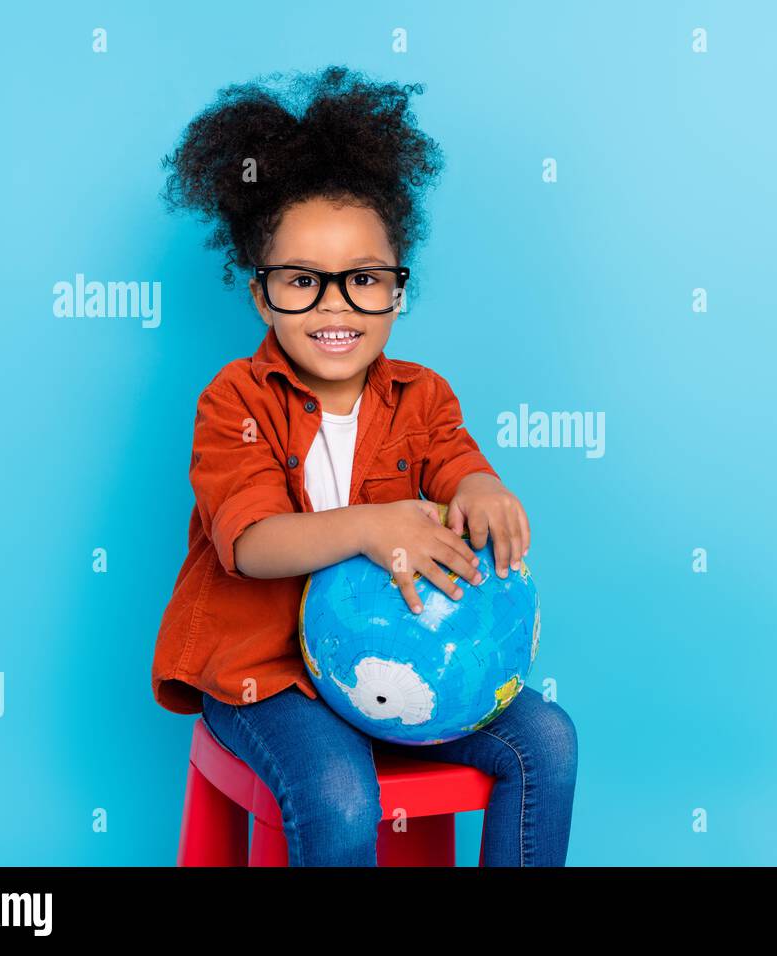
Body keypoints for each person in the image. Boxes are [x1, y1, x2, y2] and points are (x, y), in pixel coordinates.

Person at [151, 65, 577, 866]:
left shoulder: (422, 395)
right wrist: (370, 528)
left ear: (395, 290)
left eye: (364, 281)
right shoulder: (234, 401)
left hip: (383, 661)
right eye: (303, 282)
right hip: (263, 677)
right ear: (261, 296)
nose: (335, 305)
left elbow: (455, 461)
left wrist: (481, 488)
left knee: (546, 740)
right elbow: (249, 543)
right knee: (342, 794)